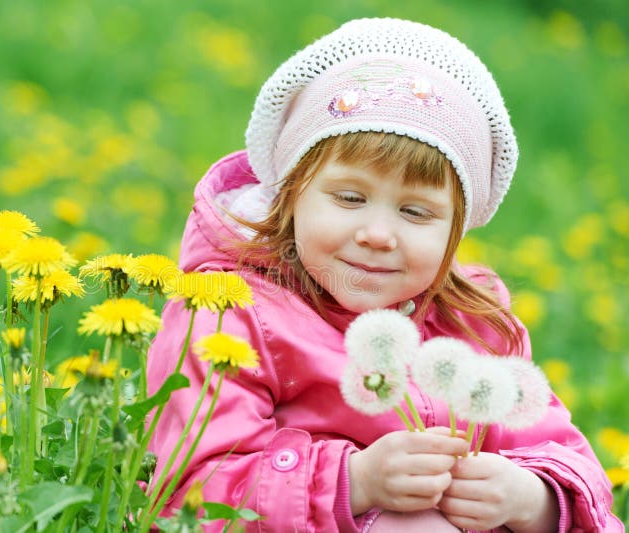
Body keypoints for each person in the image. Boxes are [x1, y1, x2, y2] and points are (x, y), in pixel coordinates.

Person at [146, 17, 622, 532]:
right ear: (290, 192)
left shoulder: (473, 327)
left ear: (455, 230)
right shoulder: (228, 314)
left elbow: (568, 458)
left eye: (416, 213)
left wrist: (533, 500)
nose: (378, 233)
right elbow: (191, 491)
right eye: (350, 198)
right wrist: (357, 482)